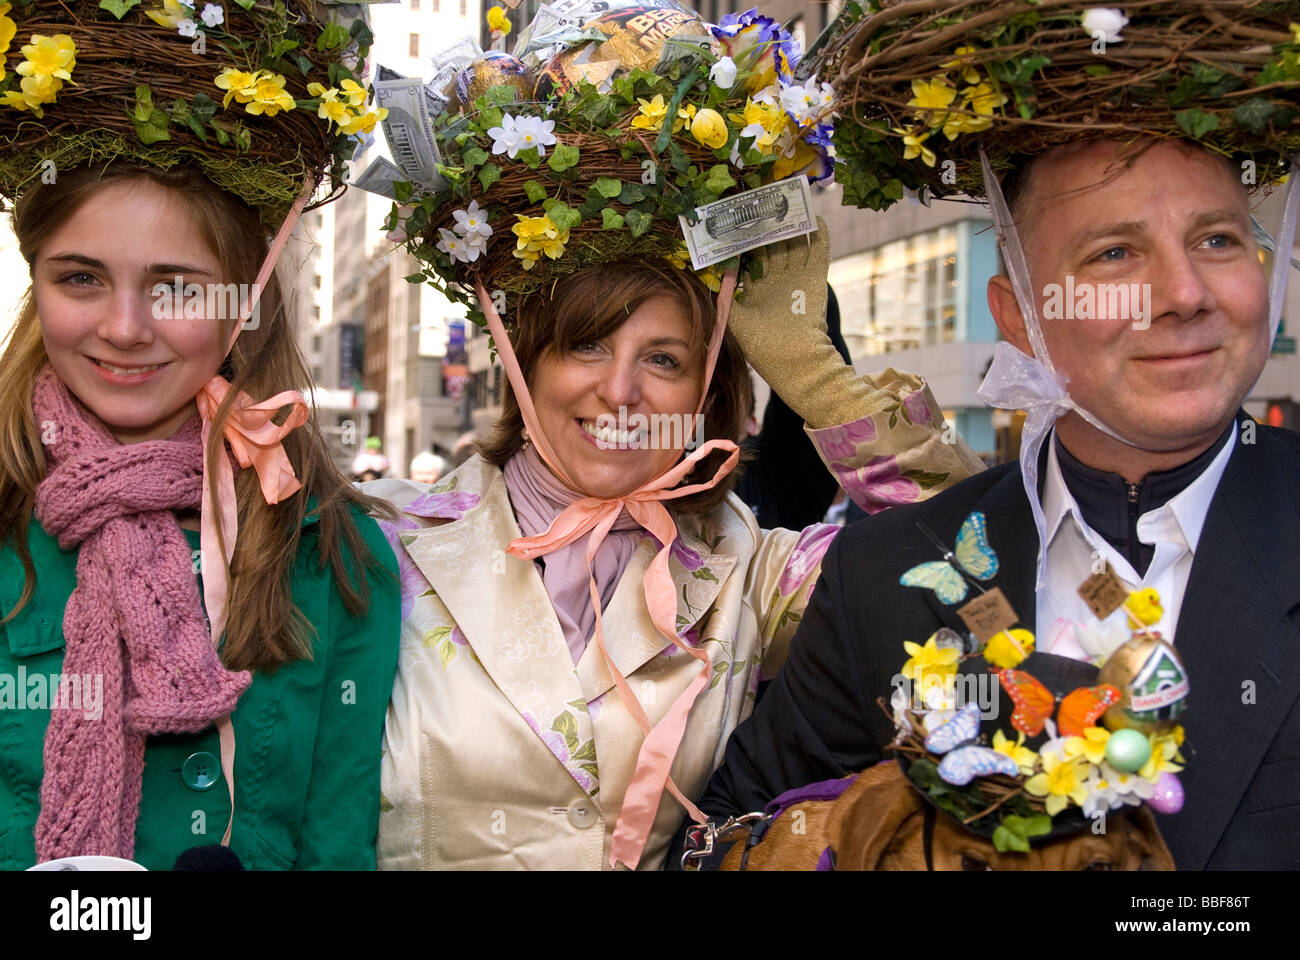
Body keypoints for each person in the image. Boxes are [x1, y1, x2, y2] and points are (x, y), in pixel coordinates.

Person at [0, 3, 399, 869]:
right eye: (81, 278)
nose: (124, 327)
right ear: (39, 286)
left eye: (176, 287)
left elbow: (336, 844)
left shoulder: (339, 552)